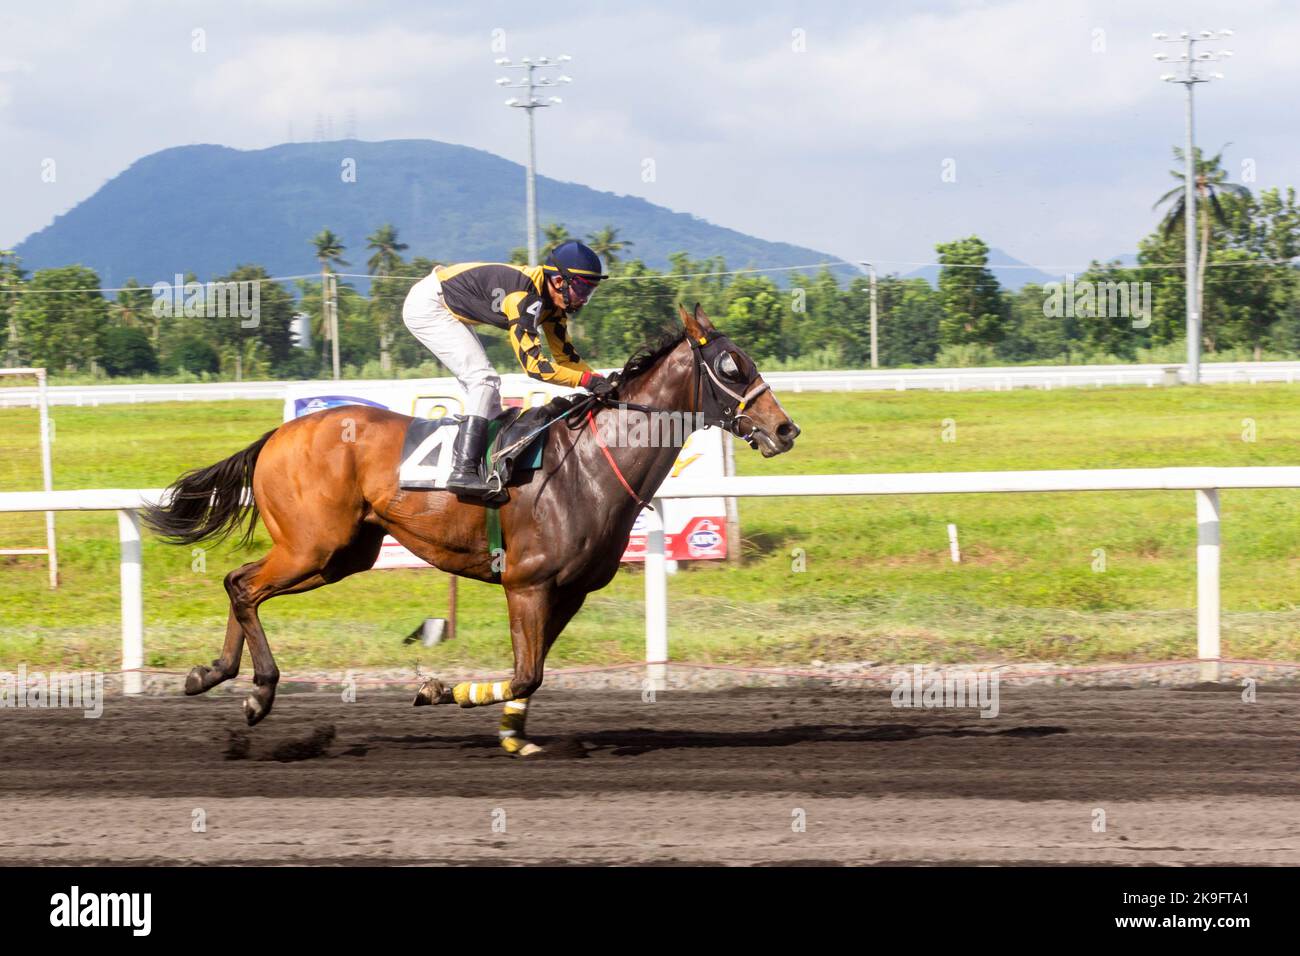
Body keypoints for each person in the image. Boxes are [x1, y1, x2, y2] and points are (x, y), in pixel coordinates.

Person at [402, 239, 613, 497]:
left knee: (489, 399)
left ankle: (484, 467)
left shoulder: (553, 306)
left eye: (589, 291)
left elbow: (567, 359)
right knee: (484, 380)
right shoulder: (524, 298)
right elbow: (535, 367)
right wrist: (587, 382)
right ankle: (463, 470)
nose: (583, 299)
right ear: (559, 281)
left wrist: (601, 380)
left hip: (444, 303)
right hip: (428, 305)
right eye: (581, 289)